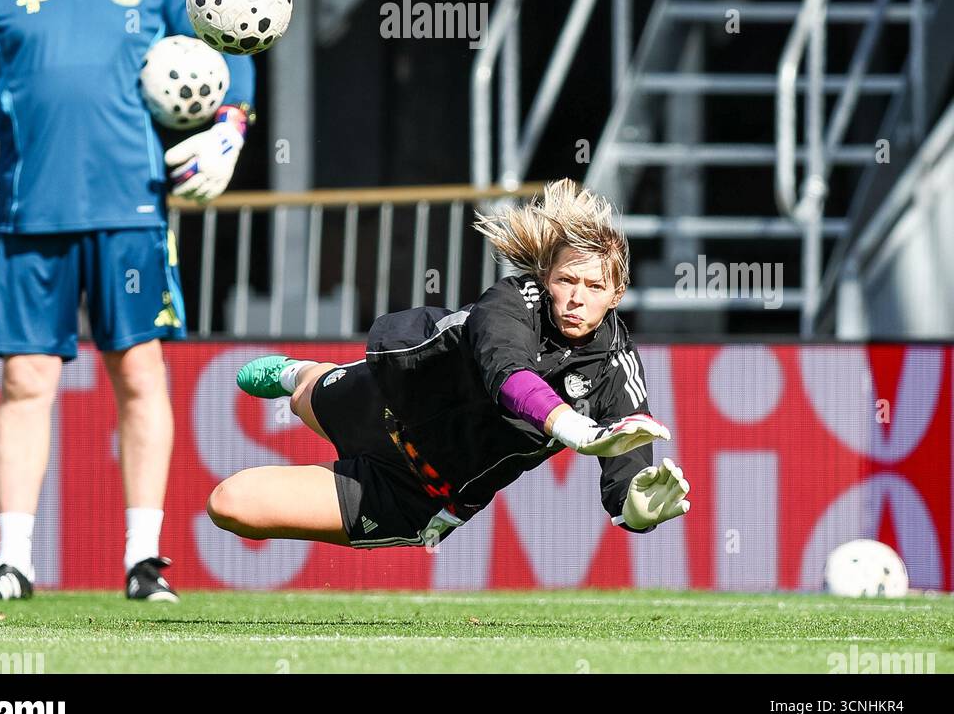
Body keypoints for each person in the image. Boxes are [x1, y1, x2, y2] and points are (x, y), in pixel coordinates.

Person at [0, 0, 255, 602]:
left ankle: (144, 561)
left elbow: (230, 39)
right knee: (23, 381)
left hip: (132, 214)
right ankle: (11, 563)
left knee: (140, 375)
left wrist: (229, 130)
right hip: (30, 213)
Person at [209, 180, 690, 552]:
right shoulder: (513, 300)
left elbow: (626, 469)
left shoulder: (617, 366)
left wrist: (637, 508)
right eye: (567, 280)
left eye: (594, 286)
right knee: (301, 398)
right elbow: (506, 373)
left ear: (617, 295)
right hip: (389, 398)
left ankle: (310, 390)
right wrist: (572, 427)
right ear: (546, 278)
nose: (577, 298)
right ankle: (301, 371)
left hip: (414, 490)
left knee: (228, 504)